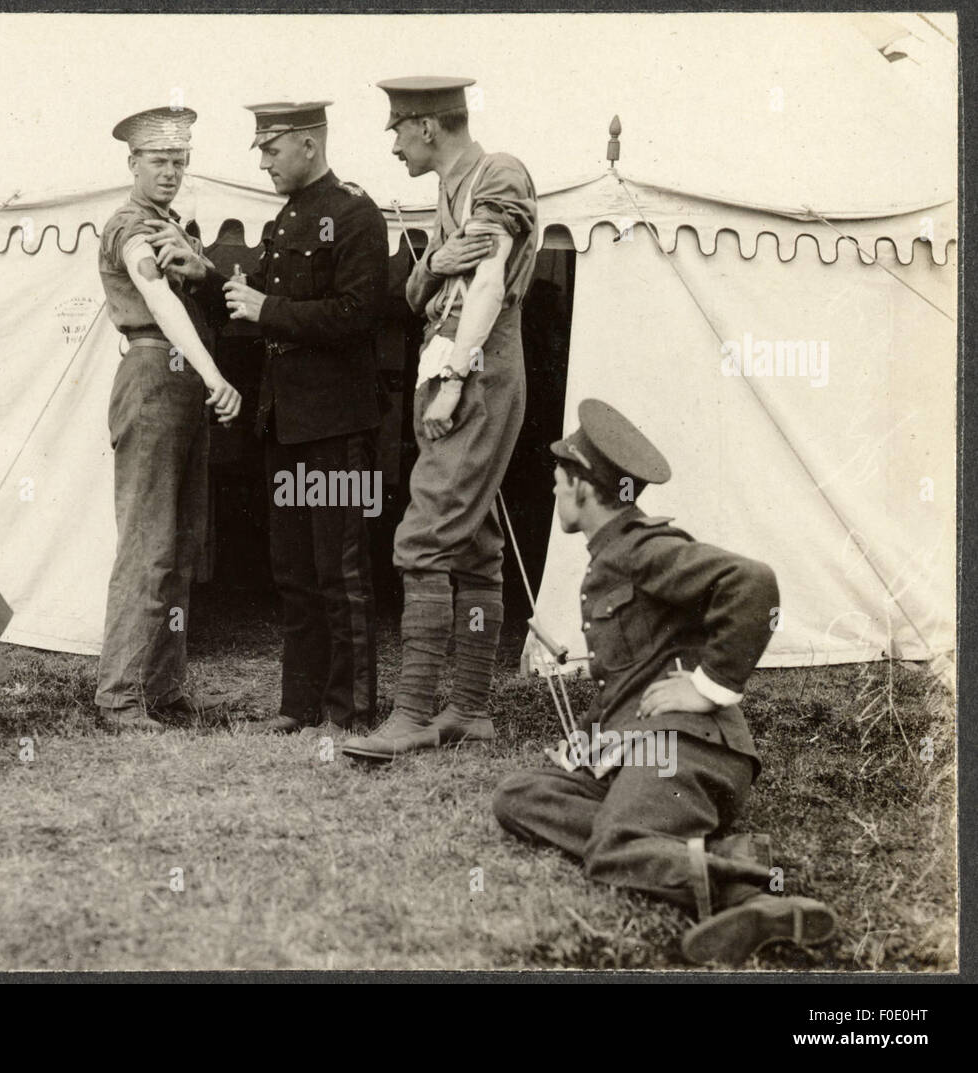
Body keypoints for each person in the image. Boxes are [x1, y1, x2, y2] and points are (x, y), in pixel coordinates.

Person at [492, 398, 837, 965]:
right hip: (647, 746)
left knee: (612, 848)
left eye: (559, 481)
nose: (553, 492)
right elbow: (631, 675)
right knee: (521, 796)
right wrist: (592, 737)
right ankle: (722, 849)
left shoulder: (643, 549)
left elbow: (753, 583)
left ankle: (744, 890)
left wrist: (708, 687)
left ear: (582, 486)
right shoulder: (610, 555)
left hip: (689, 750)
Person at [164, 100, 389, 732]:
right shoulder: (288, 217)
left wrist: (270, 312)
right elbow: (250, 299)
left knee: (342, 571)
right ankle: (298, 707)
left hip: (339, 427)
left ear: (308, 146)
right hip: (287, 424)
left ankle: (351, 713)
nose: (261, 160)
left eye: (271, 148)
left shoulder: (356, 215)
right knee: (293, 571)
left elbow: (358, 315)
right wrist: (206, 276)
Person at [342, 76, 538, 761]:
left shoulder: (498, 173)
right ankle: (471, 708)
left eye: (398, 128)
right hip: (453, 359)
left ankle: (415, 712)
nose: (393, 144)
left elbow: (487, 282)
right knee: (474, 540)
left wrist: (455, 377)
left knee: (423, 538)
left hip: (475, 364)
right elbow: (415, 290)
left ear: (428, 126)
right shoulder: (451, 191)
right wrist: (433, 265)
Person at [93, 105, 241, 732]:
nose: (171, 172)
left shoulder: (175, 228)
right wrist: (215, 377)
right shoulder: (129, 224)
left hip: (182, 389)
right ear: (133, 164)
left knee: (181, 548)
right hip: (157, 377)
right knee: (148, 545)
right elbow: (155, 297)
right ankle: (119, 697)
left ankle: (163, 688)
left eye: (180, 162)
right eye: (159, 161)